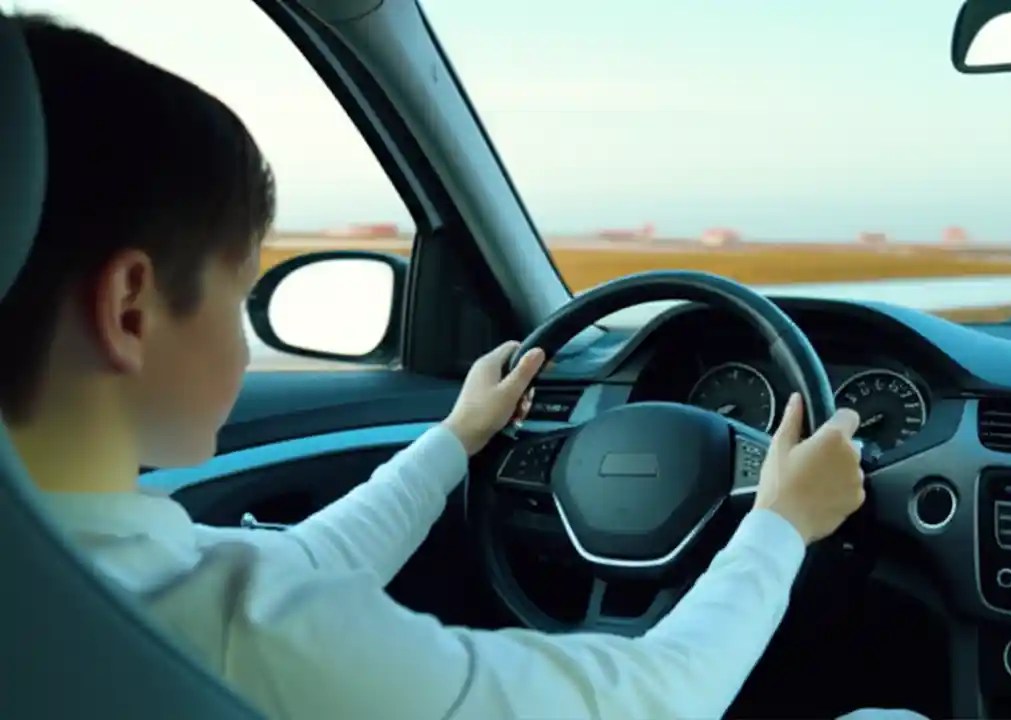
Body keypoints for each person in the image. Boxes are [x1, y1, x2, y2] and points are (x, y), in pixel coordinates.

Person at [1, 14, 928, 720]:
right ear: (130, 309)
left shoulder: (104, 578)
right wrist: (780, 524)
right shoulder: (244, 630)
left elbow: (300, 560)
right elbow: (652, 697)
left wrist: (455, 439)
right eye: (242, 296)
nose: (247, 341)